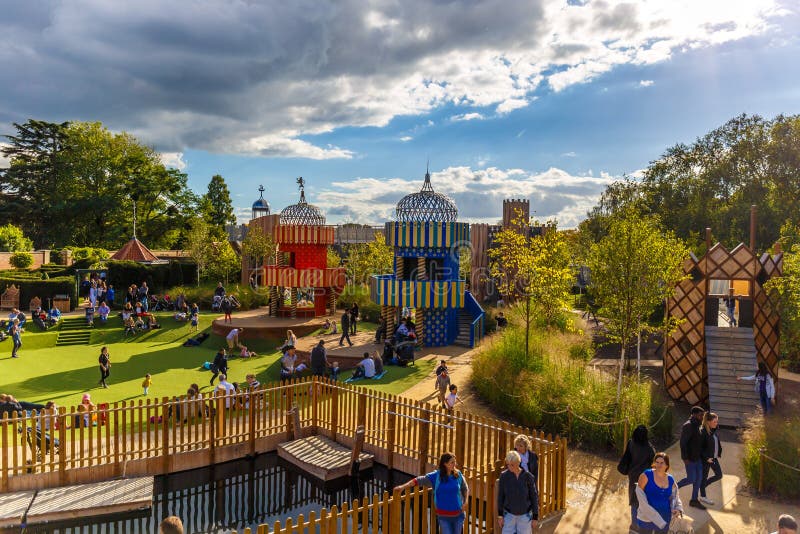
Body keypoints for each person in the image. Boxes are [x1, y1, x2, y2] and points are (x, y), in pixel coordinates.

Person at [393, 452, 469, 534]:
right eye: (452, 462)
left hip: (458, 514)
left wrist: (466, 501)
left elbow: (465, 488)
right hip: (443, 516)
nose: (455, 464)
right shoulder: (436, 476)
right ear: (445, 464)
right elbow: (418, 480)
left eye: (455, 462)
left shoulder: (458, 475)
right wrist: (403, 487)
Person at [636, 452, 684, 533]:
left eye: (662, 463)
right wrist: (658, 520)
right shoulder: (646, 475)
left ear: (667, 465)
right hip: (646, 519)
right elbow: (641, 501)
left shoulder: (670, 479)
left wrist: (678, 509)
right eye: (657, 462)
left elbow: (675, 497)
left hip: (665, 517)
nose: (659, 465)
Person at [620, 425, 656, 527]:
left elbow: (627, 456)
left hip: (632, 475)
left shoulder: (631, 443)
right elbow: (653, 462)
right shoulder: (649, 448)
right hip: (645, 477)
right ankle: (642, 523)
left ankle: (634, 524)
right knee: (644, 500)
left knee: (634, 499)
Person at [497, 450, 539, 533]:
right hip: (509, 516)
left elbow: (534, 497)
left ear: (518, 463)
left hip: (525, 517)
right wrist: (500, 515)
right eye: (508, 464)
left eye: (512, 465)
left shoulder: (528, 477)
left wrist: (535, 517)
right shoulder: (504, 476)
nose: (509, 467)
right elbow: (500, 496)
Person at [677, 406, 706, 509]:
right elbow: (683, 443)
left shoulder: (698, 425)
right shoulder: (688, 426)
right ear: (694, 414)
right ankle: (672, 488)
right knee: (691, 479)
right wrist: (685, 458)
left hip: (698, 458)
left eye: (703, 415)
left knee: (698, 479)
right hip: (690, 459)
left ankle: (694, 500)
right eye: (700, 415)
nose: (702, 417)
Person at [699, 412, 722, 506]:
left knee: (719, 475)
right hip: (707, 459)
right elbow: (699, 448)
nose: (716, 423)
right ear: (708, 422)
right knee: (704, 477)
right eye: (715, 421)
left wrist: (718, 452)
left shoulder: (713, 430)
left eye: (717, 421)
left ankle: (702, 486)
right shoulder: (703, 432)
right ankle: (703, 496)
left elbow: (716, 443)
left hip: (714, 458)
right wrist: (706, 458)